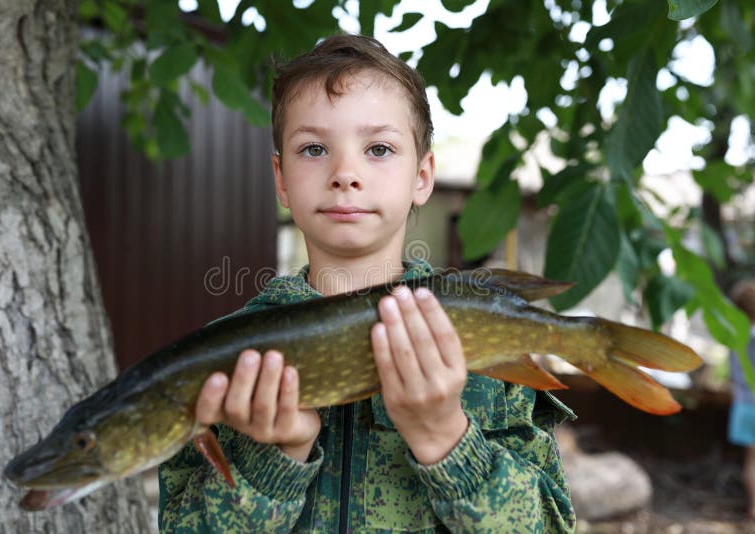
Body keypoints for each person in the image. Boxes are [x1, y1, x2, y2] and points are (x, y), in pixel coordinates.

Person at [158, 33, 576, 533]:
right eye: (314, 148)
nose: (345, 173)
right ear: (281, 179)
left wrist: (445, 435)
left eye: (379, 148)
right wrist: (274, 460)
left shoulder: (486, 345)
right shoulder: (221, 363)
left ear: (422, 176)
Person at [729, 279, 755, 519]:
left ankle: (753, 506)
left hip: (744, 404)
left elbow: (733, 373)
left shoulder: (735, 336)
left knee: (752, 460)